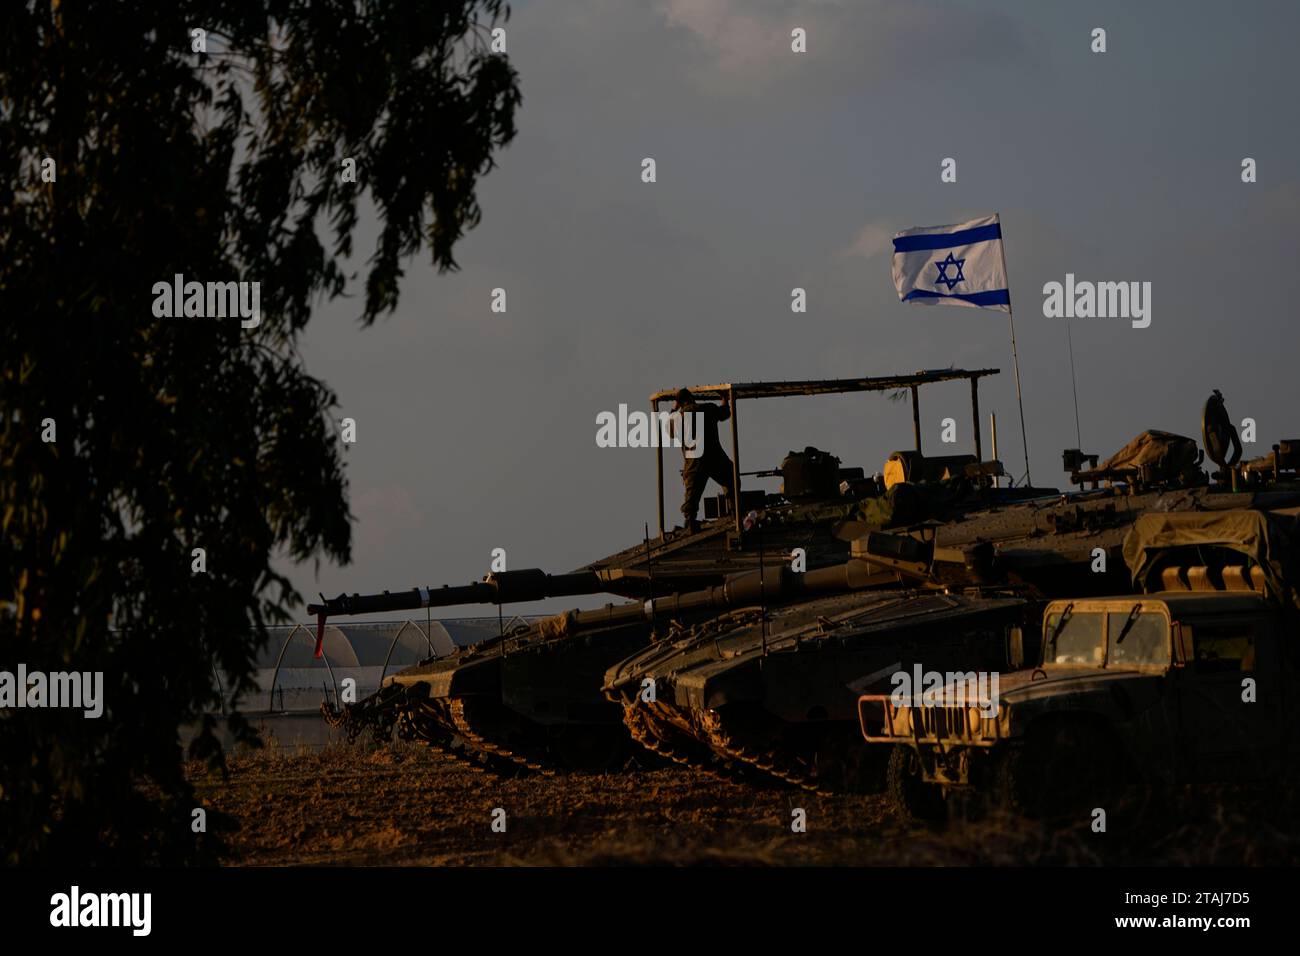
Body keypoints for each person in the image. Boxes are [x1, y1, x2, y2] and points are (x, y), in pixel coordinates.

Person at [671, 388, 734, 533]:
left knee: (692, 496)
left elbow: (669, 430)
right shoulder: (708, 409)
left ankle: (691, 522)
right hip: (715, 457)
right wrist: (724, 398)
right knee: (731, 482)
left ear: (680, 403)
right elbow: (725, 412)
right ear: (692, 398)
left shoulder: (679, 417)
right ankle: (734, 511)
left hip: (694, 462)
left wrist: (674, 409)